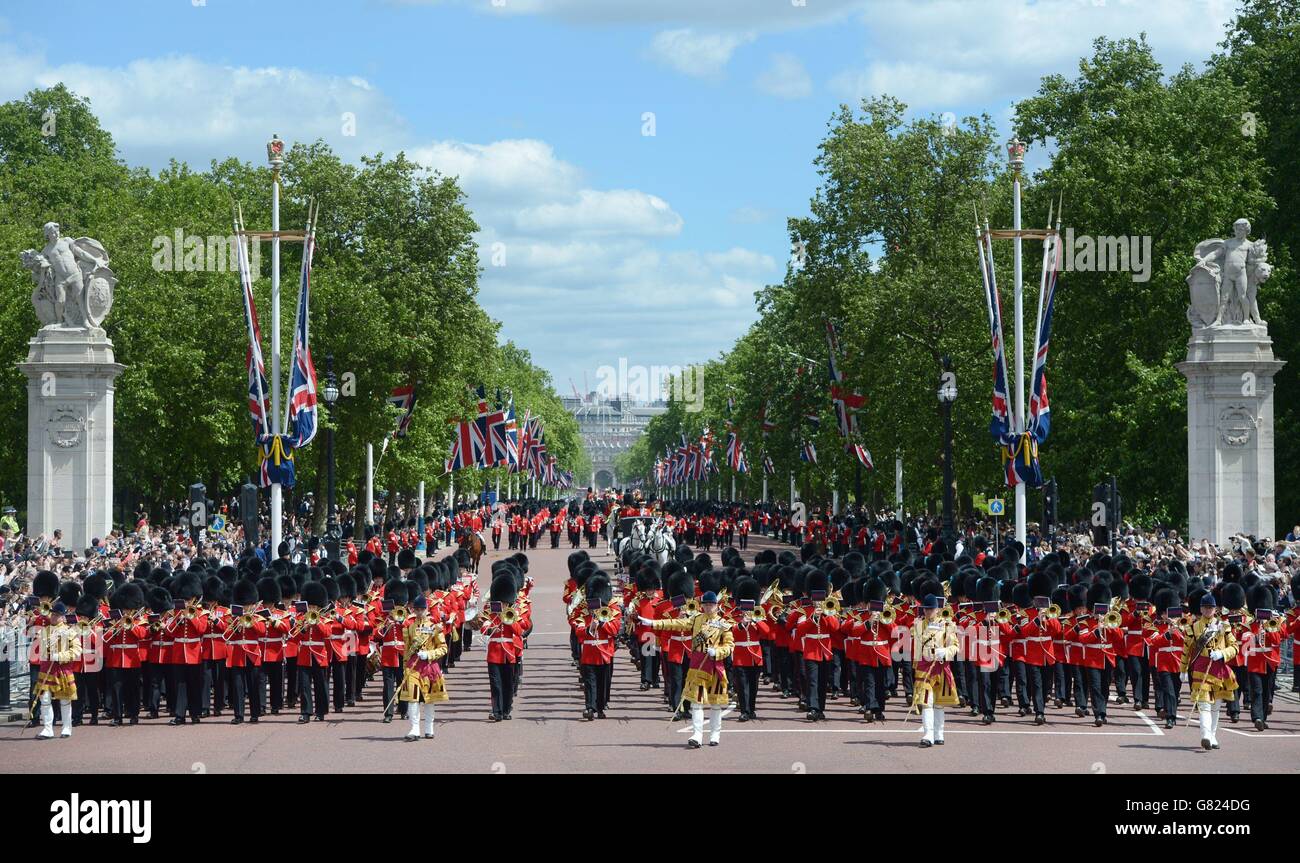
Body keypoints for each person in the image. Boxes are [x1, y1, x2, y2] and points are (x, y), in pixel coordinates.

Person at [644, 589, 734, 749]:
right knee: (696, 703)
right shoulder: (696, 619)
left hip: (715, 667)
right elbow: (676, 623)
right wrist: (653, 623)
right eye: (705, 604)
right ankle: (697, 734)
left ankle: (715, 733)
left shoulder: (724, 624)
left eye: (711, 604)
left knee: (715, 704)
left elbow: (729, 646)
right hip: (698, 666)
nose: (708, 607)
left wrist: (718, 652)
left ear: (716, 605)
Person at [1182, 592, 1239, 751]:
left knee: (1216, 707)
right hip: (1201, 668)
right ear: (1200, 609)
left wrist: (1222, 653)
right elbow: (1187, 650)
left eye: (1211, 607)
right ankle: (1205, 735)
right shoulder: (1193, 627)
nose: (1208, 610)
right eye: (1205, 607)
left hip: (1219, 669)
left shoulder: (1224, 626)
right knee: (1204, 705)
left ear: (1215, 609)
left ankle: (1213, 735)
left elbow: (1235, 647)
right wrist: (1183, 670)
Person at [911, 593, 959, 748]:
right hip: (924, 669)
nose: (928, 612)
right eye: (926, 609)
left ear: (937, 609)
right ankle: (928, 735)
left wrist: (945, 652)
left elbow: (955, 646)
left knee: (938, 704)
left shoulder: (948, 625)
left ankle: (939, 733)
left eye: (931, 609)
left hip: (940, 668)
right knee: (926, 702)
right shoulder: (917, 625)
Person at [398, 595, 449, 741]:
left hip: (429, 666)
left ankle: (429, 727)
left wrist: (429, 654)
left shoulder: (434, 627)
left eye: (422, 609)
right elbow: (406, 651)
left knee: (428, 699)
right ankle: (414, 729)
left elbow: (443, 648)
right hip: (413, 667)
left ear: (426, 609)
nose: (419, 612)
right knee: (412, 698)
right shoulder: (410, 627)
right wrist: (404, 668)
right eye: (417, 609)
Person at [32, 601, 81, 739]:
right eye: (52, 614)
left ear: (63, 617)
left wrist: (59, 656)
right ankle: (48, 729)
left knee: (65, 700)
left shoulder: (70, 632)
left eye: (57, 615)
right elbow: (40, 650)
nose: (53, 617)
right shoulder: (44, 631)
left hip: (62, 670)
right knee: (45, 699)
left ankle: (66, 727)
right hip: (46, 670)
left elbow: (77, 651)